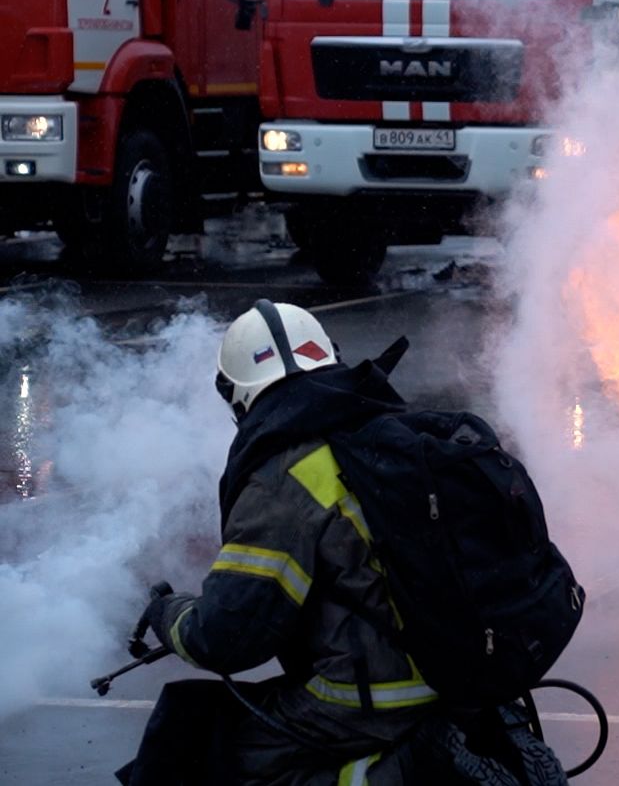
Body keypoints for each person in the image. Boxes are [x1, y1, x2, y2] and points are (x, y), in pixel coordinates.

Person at [118, 303, 546, 785]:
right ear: (330, 360)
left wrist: (167, 614)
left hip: (368, 700)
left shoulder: (285, 478)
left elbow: (226, 637)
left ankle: (409, 769)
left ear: (240, 398)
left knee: (202, 752)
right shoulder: (392, 432)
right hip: (465, 676)